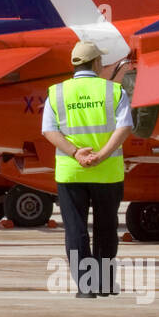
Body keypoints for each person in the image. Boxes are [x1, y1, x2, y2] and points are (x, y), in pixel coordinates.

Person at [42, 40, 134, 297]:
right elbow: (125, 126)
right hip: (107, 173)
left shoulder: (57, 92)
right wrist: (102, 155)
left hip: (71, 172)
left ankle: (86, 285)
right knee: (106, 228)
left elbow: (49, 130)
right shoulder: (114, 91)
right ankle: (104, 283)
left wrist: (75, 153)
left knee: (75, 229)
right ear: (96, 64)